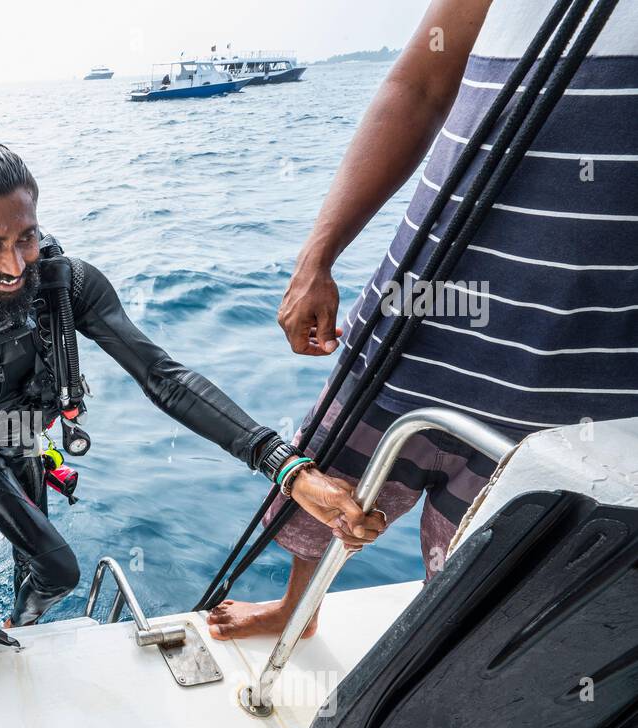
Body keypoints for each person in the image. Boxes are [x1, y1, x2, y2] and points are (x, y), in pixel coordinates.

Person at [207, 0, 638, 640]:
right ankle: (299, 611)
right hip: (419, 303)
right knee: (335, 464)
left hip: (583, 348)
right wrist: (317, 256)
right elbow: (418, 85)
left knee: (501, 551)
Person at [0, 143, 386, 627]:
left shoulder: (66, 284)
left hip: (26, 430)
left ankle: (22, 621)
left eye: (26, 237)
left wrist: (285, 467)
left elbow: (162, 377)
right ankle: (17, 627)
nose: (15, 264)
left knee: (36, 564)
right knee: (59, 571)